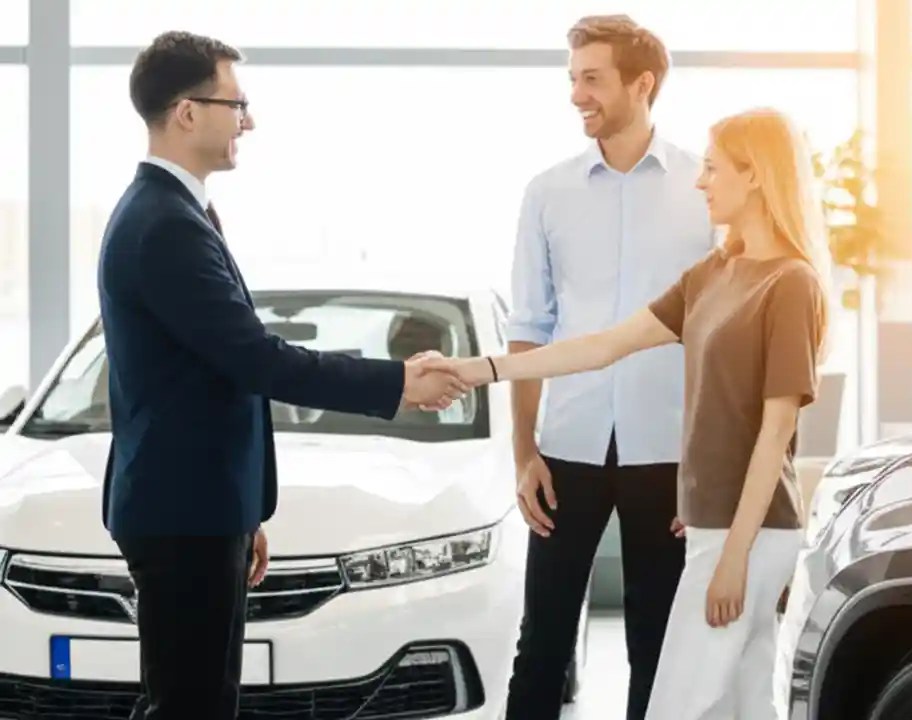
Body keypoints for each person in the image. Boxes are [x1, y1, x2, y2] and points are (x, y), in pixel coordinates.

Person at [96, 31, 466, 720]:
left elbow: (204, 374)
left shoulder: (171, 211)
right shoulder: (165, 224)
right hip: (183, 511)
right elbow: (255, 359)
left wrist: (240, 514)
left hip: (199, 504)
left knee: (194, 698)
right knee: (191, 706)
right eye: (236, 104)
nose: (249, 121)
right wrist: (396, 383)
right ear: (187, 113)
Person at [430, 106, 830, 719]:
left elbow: (776, 433)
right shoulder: (714, 273)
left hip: (750, 530)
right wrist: (482, 369)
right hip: (712, 524)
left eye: (715, 168)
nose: (700, 181)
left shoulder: (791, 283)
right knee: (743, 703)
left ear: (755, 175)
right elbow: (604, 345)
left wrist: (735, 556)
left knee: (680, 704)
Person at [501, 14, 716, 720]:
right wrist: (524, 449)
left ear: (641, 84)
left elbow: (719, 339)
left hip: (670, 453)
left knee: (656, 646)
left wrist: (707, 466)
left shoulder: (704, 190)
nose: (576, 95)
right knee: (542, 642)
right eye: (573, 78)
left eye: (591, 79)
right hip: (568, 447)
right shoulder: (547, 192)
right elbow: (530, 328)